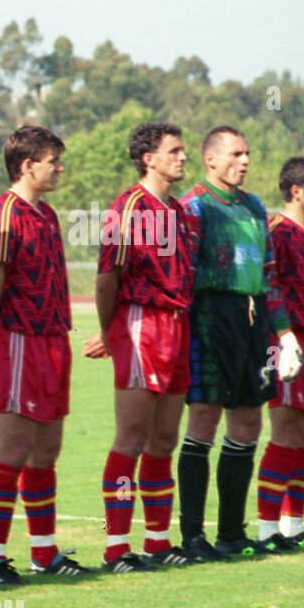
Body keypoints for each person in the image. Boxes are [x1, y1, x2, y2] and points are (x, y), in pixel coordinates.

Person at [176, 126, 301, 560]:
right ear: (210, 159)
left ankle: (231, 532)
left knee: (248, 424)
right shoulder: (194, 207)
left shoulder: (254, 206)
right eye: (236, 153)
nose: (244, 161)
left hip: (251, 321)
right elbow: (183, 275)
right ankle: (192, 537)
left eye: (247, 153)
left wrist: (284, 334)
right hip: (210, 317)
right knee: (204, 422)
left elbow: (268, 277)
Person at [0, 125, 89, 584]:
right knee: (15, 449)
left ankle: (45, 552)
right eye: (52, 160)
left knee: (47, 450)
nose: (59, 167)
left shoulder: (45, 214)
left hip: (52, 339)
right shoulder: (4, 213)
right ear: (27, 166)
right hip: (18, 338)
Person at [85, 123, 198, 571]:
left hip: (178, 326)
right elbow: (106, 277)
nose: (182, 157)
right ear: (148, 158)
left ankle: (157, 541)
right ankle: (116, 548)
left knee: (164, 439)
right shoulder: (127, 208)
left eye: (184, 150)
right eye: (174, 151)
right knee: (131, 437)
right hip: (140, 326)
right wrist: (111, 329)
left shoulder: (183, 213)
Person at [252, 156, 304, 550]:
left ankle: (293, 525)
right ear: (296, 190)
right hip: (288, 341)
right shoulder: (277, 232)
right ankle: (266, 527)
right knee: (286, 431)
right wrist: (284, 338)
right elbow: (269, 287)